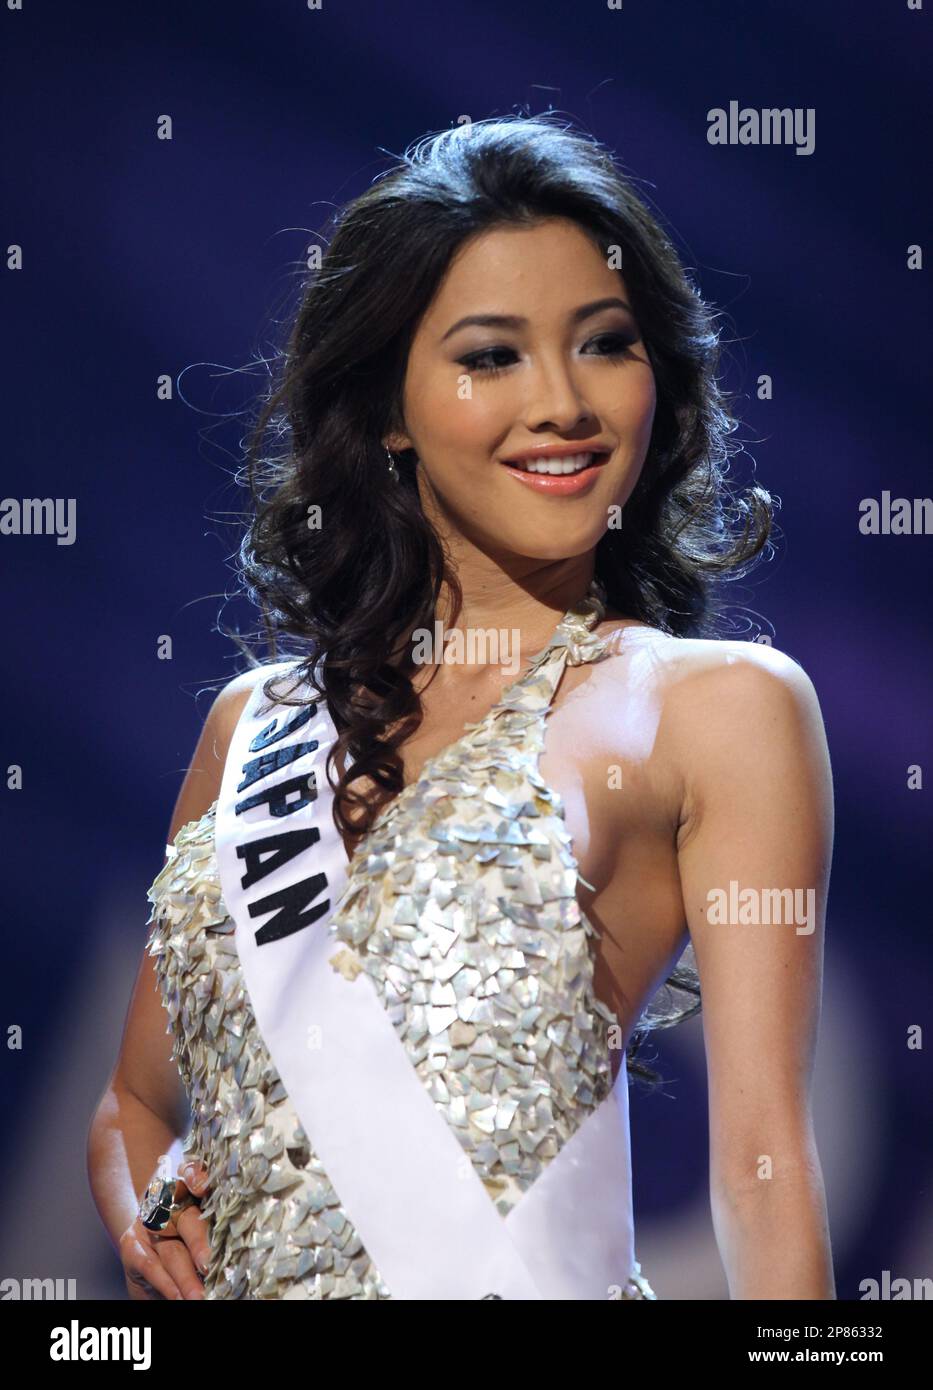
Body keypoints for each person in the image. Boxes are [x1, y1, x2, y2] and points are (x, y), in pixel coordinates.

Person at [87, 113, 835, 1300]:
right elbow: (135, 1102)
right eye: (492, 356)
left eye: (604, 344)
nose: (562, 404)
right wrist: (150, 1209)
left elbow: (761, 1166)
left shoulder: (714, 709)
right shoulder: (252, 725)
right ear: (390, 407)